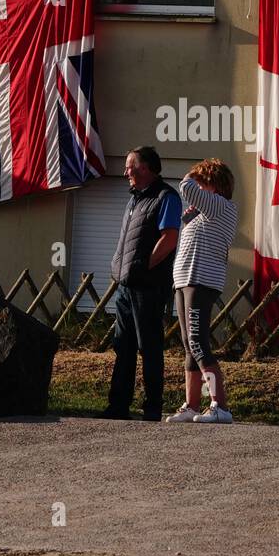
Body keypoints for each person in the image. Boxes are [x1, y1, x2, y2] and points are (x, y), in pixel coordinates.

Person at [102, 146, 181, 422]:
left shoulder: (166, 197)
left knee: (149, 347)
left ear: (145, 168)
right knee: (122, 345)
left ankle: (152, 408)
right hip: (126, 285)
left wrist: (143, 266)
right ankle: (118, 406)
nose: (125, 172)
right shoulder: (134, 199)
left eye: (130, 167)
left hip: (148, 286)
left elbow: (169, 238)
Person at [165, 158, 238, 424]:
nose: (196, 184)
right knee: (189, 346)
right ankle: (192, 405)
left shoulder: (221, 205)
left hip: (201, 281)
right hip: (185, 281)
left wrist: (191, 175)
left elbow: (186, 187)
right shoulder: (205, 211)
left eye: (201, 181)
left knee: (198, 343)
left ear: (213, 185)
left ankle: (220, 406)